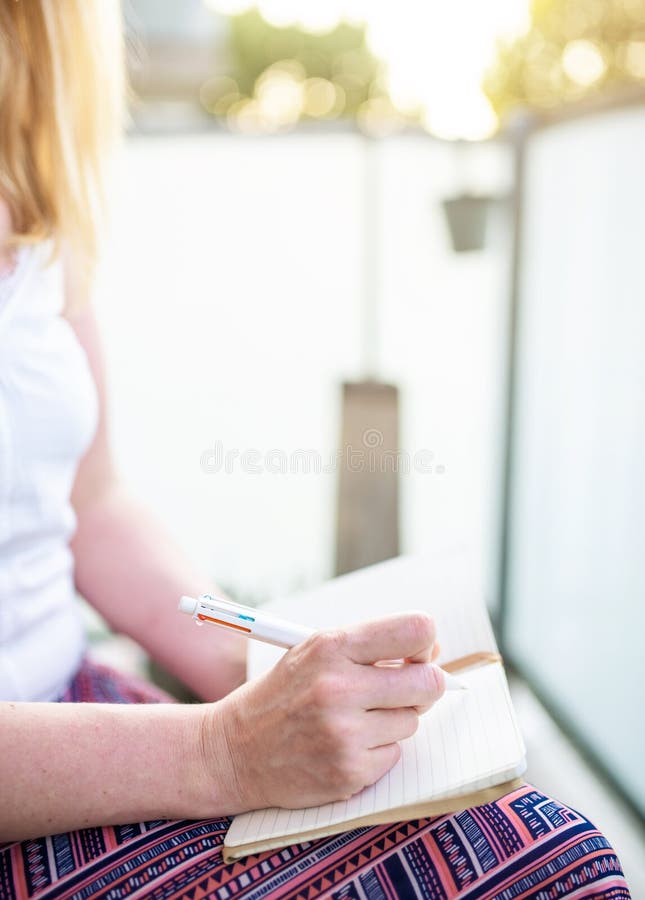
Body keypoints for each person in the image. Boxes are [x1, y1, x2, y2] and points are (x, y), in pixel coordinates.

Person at [0, 2, 631, 897]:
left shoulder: (30, 206)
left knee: (541, 844)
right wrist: (225, 749)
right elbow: (214, 750)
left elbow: (88, 505)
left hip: (80, 712)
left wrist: (259, 669)